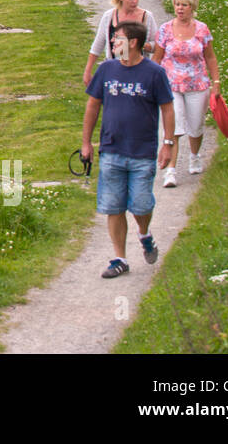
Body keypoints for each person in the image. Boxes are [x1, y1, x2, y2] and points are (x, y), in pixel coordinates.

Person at [82, 20, 176, 278]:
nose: (113, 43)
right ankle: (119, 258)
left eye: (117, 39)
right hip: (111, 149)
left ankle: (144, 234)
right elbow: (93, 105)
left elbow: (167, 108)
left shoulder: (154, 73)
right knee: (113, 206)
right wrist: (86, 142)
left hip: (142, 152)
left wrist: (168, 144)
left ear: (133, 42)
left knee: (141, 205)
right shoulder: (107, 69)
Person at [152, 0, 220, 188]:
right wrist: (149, 82)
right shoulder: (165, 30)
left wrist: (216, 83)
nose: (180, 8)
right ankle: (171, 171)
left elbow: (210, 57)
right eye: (177, 4)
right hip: (171, 85)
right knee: (174, 127)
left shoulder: (202, 29)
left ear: (192, 7)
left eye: (184, 4)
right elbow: (157, 58)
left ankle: (195, 155)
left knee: (196, 125)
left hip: (197, 84)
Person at [83, 0, 160, 87]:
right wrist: (88, 70)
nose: (134, 1)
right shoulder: (109, 16)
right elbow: (98, 44)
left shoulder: (147, 17)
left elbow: (157, 45)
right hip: (114, 71)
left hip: (139, 71)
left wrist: (140, 45)